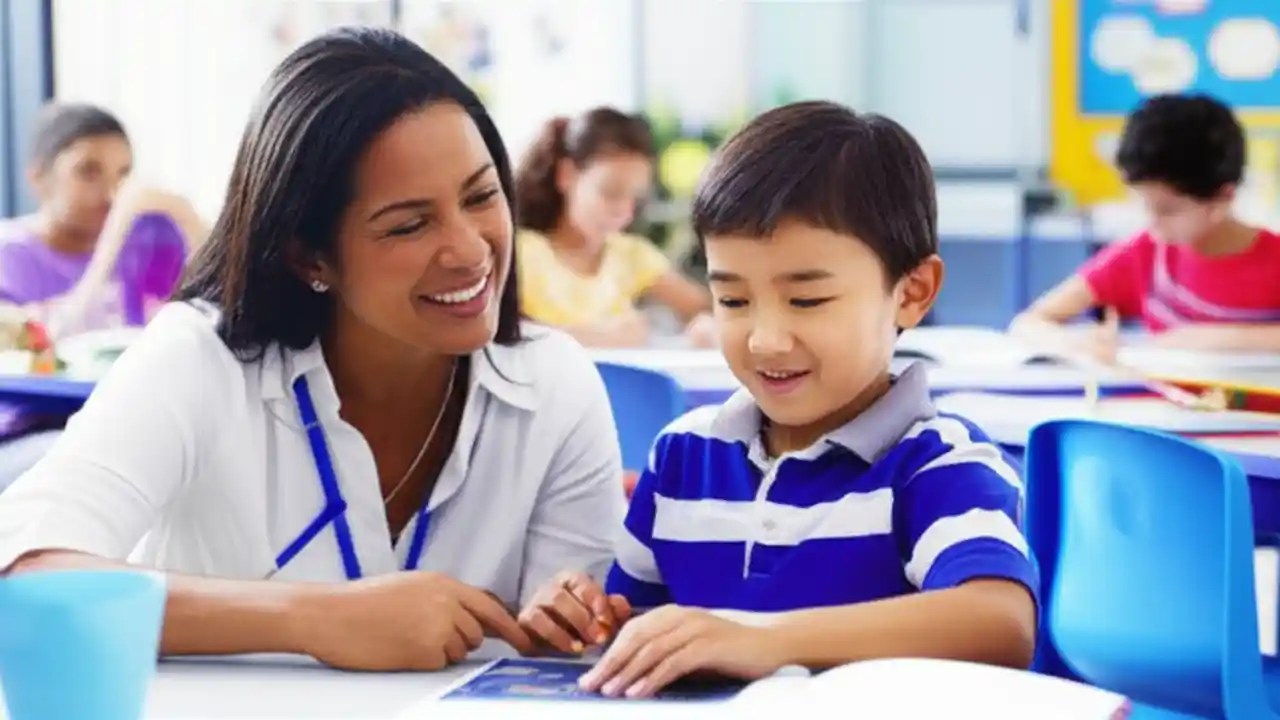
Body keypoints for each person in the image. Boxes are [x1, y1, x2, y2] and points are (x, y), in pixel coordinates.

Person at [0, 27, 626, 672]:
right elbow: (21, 579)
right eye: (409, 224)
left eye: (481, 196)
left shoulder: (555, 384)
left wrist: (575, 621)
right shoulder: (200, 359)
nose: (470, 249)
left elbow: (567, 660)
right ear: (308, 255)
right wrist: (314, 617)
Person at [518, 102, 1038, 697]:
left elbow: (1000, 623)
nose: (765, 339)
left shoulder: (937, 461)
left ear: (911, 293)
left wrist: (763, 639)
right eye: (734, 302)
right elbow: (639, 626)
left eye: (807, 301)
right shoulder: (686, 457)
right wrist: (584, 619)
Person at [0, 103, 204, 492]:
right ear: (39, 179)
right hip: (26, 436)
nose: (110, 192)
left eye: (123, 175)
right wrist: (116, 234)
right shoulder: (9, 253)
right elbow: (46, 346)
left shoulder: (141, 256)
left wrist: (188, 220)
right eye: (87, 172)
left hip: (110, 427)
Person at [1010, 93, 1280, 362]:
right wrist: (1077, 343)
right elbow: (1029, 322)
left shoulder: (1273, 259)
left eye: (1166, 210)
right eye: (1144, 205)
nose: (1151, 222)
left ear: (1222, 199)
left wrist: (1215, 339)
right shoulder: (1144, 254)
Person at [514, 107, 713, 347]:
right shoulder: (524, 253)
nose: (624, 211)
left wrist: (708, 327)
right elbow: (510, 335)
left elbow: (706, 307)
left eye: (635, 199)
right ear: (566, 175)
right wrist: (605, 337)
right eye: (611, 192)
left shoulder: (630, 255)